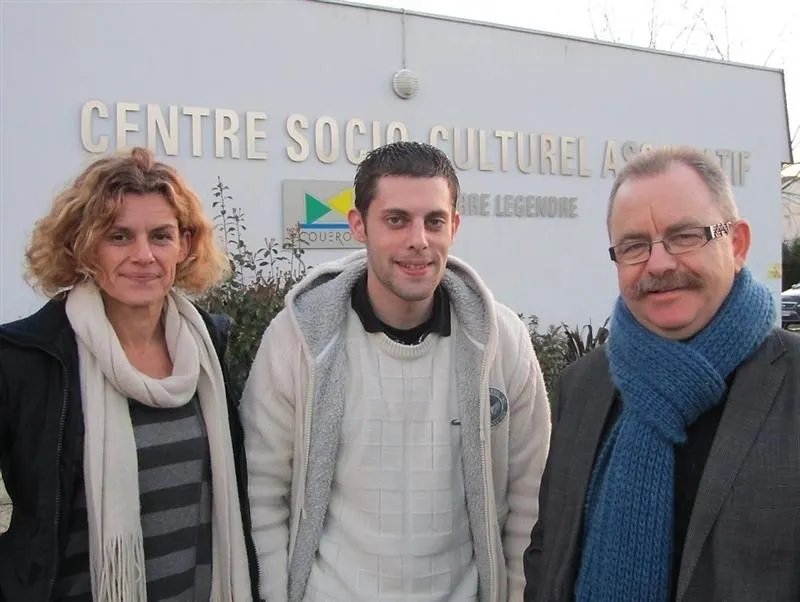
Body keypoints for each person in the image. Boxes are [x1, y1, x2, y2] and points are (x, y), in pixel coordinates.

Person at [240, 141, 552, 602]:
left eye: (434, 221)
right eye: (396, 219)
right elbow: (264, 494)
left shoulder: (501, 342)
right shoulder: (298, 339)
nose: (418, 240)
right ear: (358, 225)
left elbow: (531, 499)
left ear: (455, 227)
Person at [523, 146, 800, 602]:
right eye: (634, 246)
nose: (659, 263)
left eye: (686, 235)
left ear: (738, 244)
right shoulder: (584, 386)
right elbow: (549, 550)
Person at [0, 147, 260, 602]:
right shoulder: (26, 357)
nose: (144, 255)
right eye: (119, 237)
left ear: (185, 244)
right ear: (81, 245)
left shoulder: (207, 352)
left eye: (161, 236)